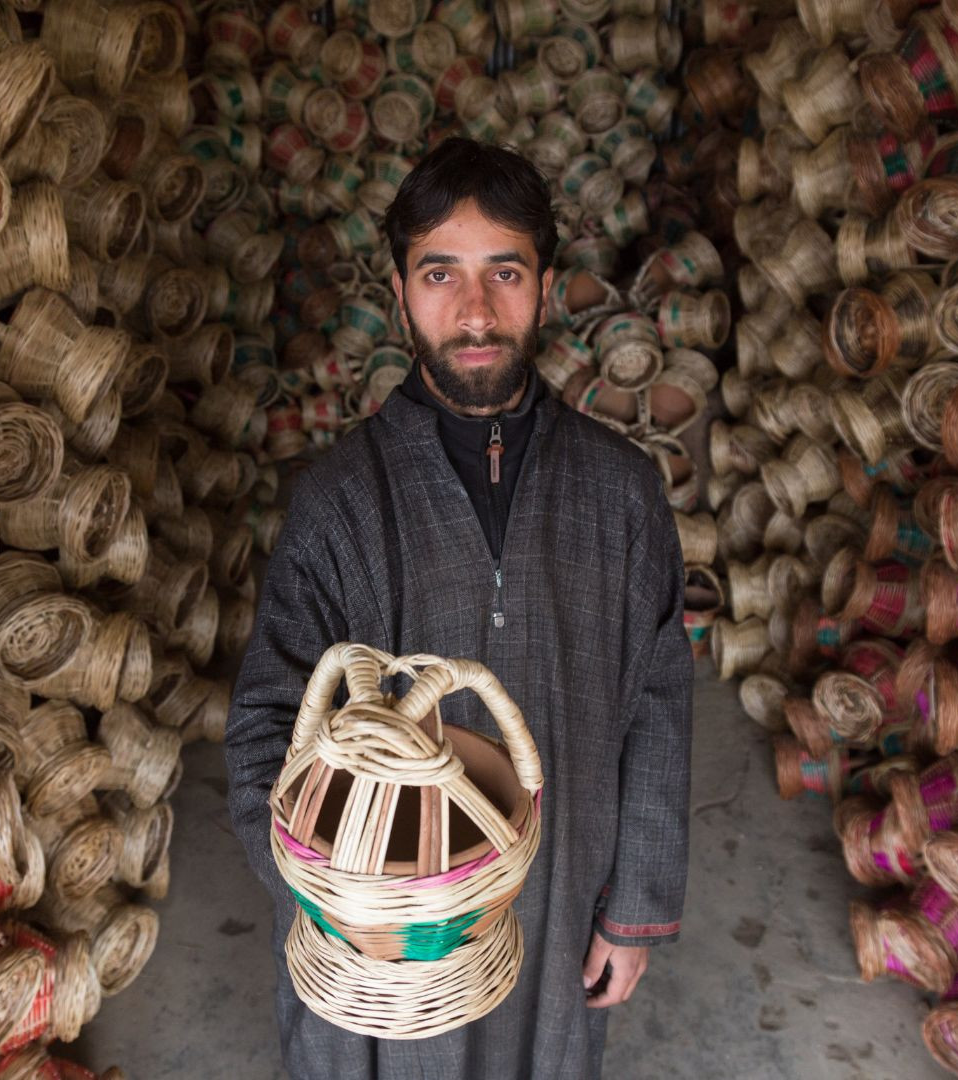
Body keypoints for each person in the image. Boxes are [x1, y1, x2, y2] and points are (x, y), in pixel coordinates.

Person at [224, 137, 694, 1080]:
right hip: (384, 940)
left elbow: (659, 702)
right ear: (400, 291)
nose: (475, 311)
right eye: (441, 273)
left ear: (546, 288)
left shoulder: (620, 491)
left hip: (559, 897)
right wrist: (341, 909)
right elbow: (264, 733)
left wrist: (633, 908)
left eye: (504, 273)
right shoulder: (340, 499)